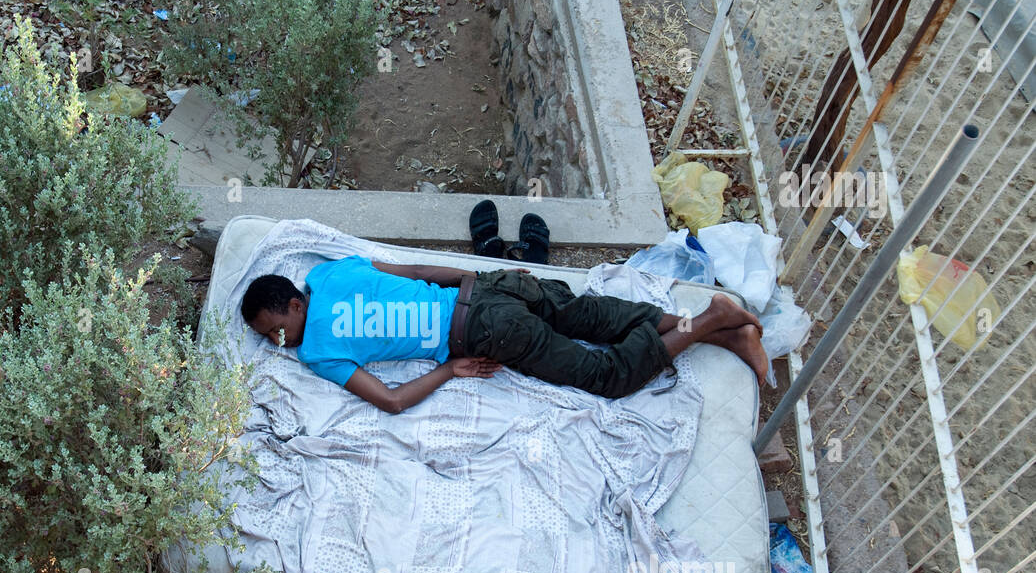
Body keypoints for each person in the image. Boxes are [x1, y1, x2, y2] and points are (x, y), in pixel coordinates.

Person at [240, 256, 768, 416]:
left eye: (274, 333)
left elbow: (394, 401)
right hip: (488, 291)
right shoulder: (332, 272)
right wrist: (482, 281)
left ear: (293, 305)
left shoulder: (317, 351)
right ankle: (724, 330)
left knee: (607, 377)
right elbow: (414, 270)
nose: (276, 345)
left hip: (486, 329)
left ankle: (706, 321)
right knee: (593, 318)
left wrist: (450, 367)